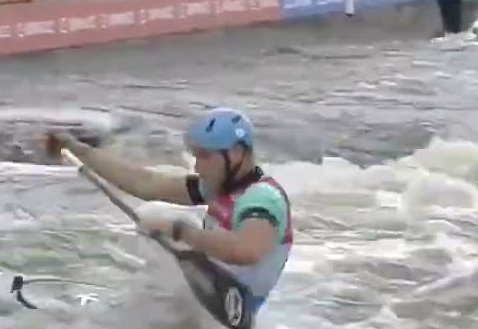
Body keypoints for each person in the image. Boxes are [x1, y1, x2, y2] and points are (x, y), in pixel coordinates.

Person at [40, 107, 293, 317]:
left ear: (236, 154)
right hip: (210, 298)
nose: (197, 165)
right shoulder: (216, 187)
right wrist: (81, 151)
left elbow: (245, 251)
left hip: (235, 312)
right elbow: (144, 183)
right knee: (152, 211)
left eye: (205, 156)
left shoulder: (262, 198)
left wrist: (179, 230)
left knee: (163, 218)